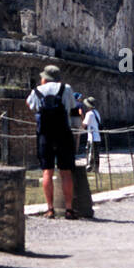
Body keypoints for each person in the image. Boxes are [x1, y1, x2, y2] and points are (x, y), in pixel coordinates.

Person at [27, 64, 77, 219]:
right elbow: (71, 106)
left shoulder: (37, 91)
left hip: (45, 134)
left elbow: (30, 105)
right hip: (63, 133)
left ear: (45, 78)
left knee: (47, 171)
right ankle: (68, 209)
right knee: (66, 172)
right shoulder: (66, 88)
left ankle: (50, 209)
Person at [82, 96, 103, 172]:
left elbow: (84, 125)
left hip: (92, 137)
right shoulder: (97, 113)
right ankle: (96, 169)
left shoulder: (89, 114)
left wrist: (81, 116)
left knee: (90, 153)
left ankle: (89, 168)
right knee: (96, 154)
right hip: (97, 137)